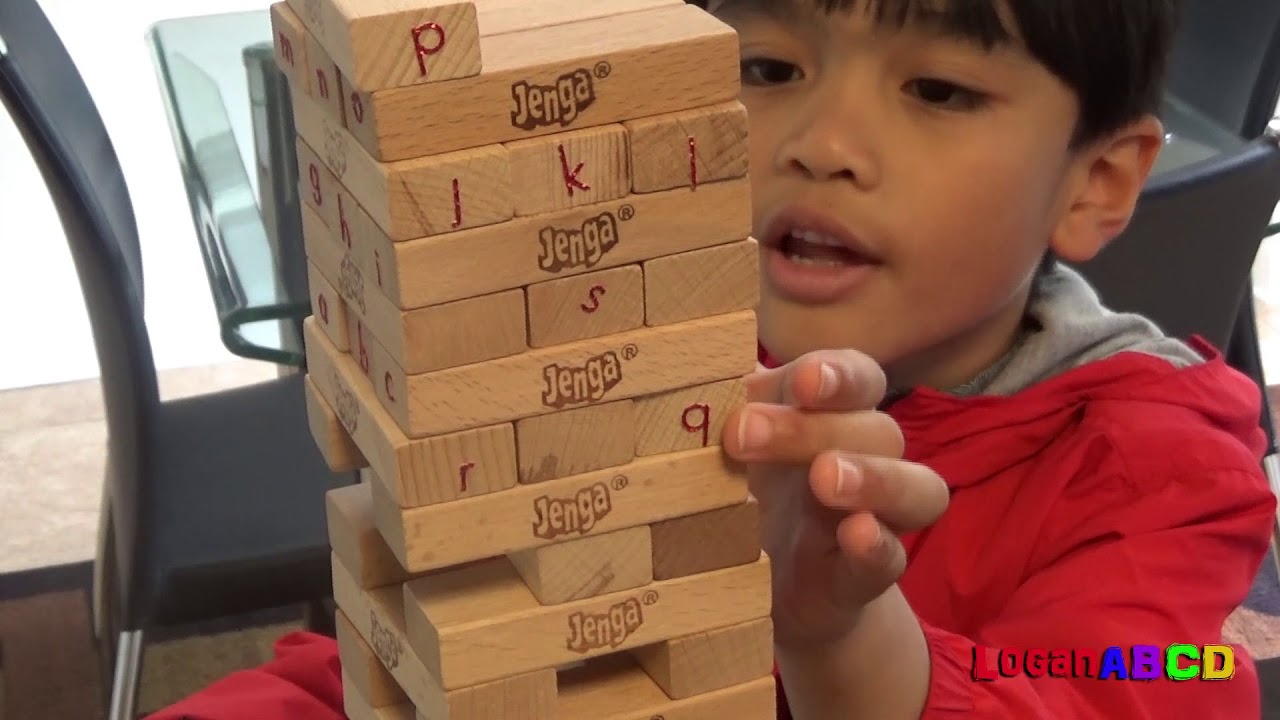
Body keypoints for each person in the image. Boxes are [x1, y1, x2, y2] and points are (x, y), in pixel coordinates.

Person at [147, 0, 1278, 718]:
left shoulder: (1159, 469)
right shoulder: (630, 359)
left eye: (937, 88)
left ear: (1096, 182)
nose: (816, 145)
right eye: (767, 67)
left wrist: (840, 642)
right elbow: (436, 639)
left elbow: (1157, 686)